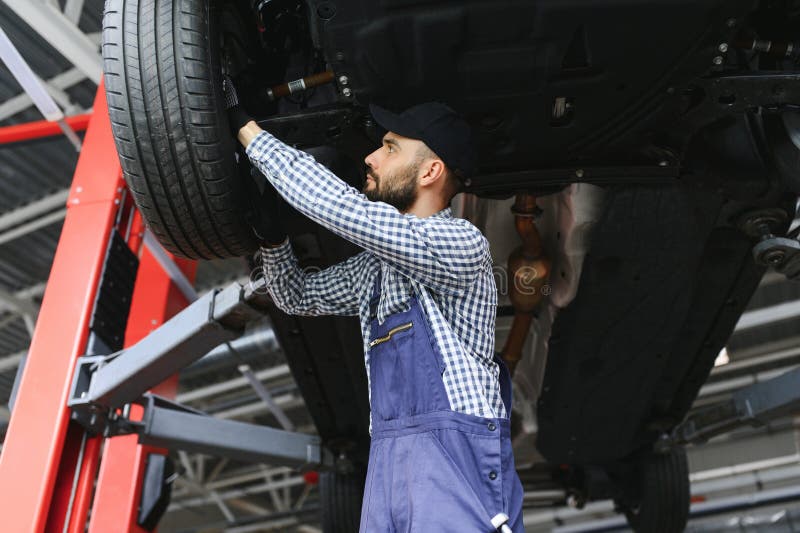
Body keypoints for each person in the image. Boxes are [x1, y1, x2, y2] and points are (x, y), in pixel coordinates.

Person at [225, 80, 524, 532]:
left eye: (389, 148)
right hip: (387, 456)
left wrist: (246, 130)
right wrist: (273, 238)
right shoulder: (376, 272)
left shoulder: (461, 244)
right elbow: (296, 296)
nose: (370, 157)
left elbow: (349, 213)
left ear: (429, 172)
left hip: (453, 455)